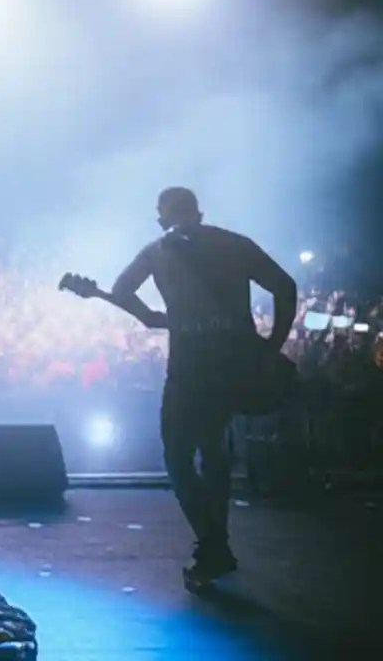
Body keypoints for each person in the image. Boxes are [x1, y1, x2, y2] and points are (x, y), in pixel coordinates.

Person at [111, 187, 296, 584]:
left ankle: (212, 541)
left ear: (162, 218)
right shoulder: (234, 244)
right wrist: (271, 347)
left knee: (178, 456)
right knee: (214, 451)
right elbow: (285, 287)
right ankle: (217, 541)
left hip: (189, 369)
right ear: (199, 212)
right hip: (232, 365)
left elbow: (121, 290)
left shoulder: (156, 251)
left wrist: (149, 317)